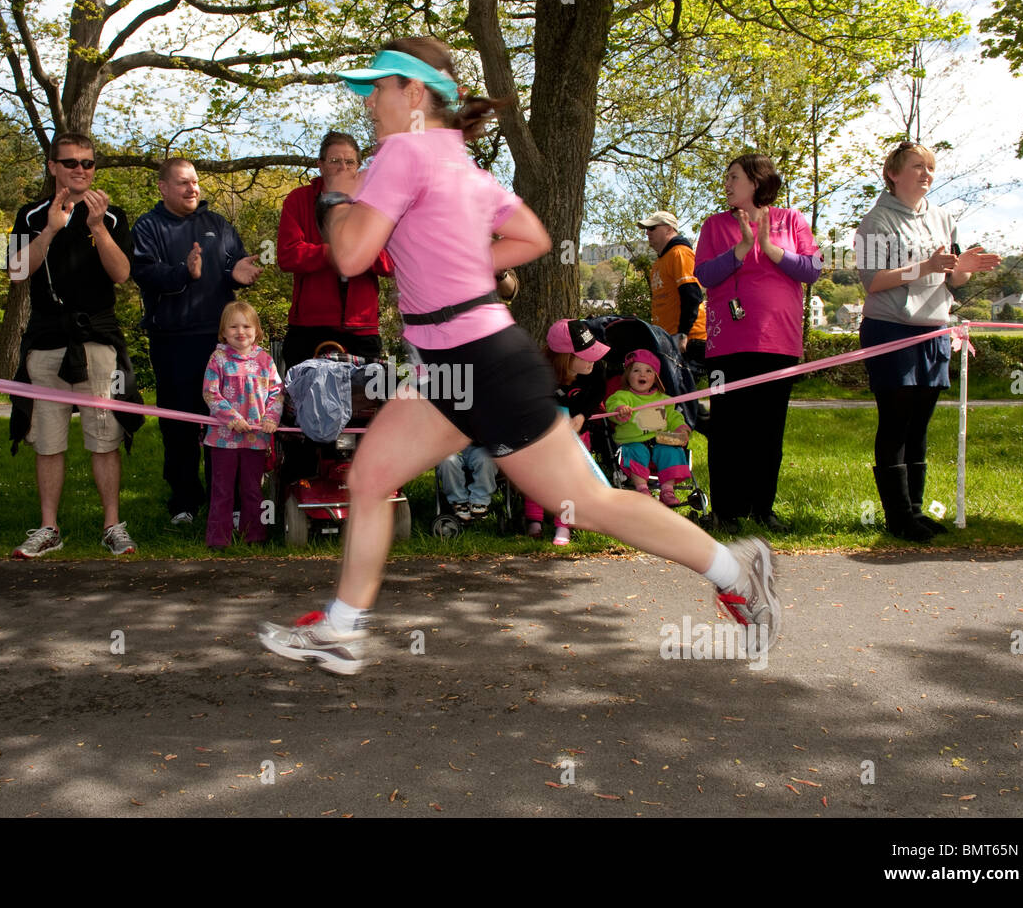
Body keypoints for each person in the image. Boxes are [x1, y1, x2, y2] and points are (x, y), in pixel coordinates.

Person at [257, 37, 782, 676]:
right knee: (370, 477)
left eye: (379, 88)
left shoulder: (401, 152)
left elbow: (350, 256)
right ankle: (343, 629)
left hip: (480, 363)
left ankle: (738, 570)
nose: (369, 104)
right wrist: (462, 267)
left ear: (414, 94)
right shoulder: (463, 165)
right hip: (449, 365)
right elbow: (532, 237)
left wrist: (339, 195)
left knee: (587, 505)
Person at [7, 132, 142, 558]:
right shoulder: (31, 216)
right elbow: (16, 272)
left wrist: (97, 227)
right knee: (47, 440)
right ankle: (48, 527)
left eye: (87, 163)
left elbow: (121, 275)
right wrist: (50, 229)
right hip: (47, 340)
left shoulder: (113, 216)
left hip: (97, 340)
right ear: (52, 168)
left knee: (105, 436)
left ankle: (112, 525)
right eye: (70, 163)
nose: (80, 170)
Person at [856, 141, 999, 542]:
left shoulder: (943, 218)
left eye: (930, 167)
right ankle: (897, 517)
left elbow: (954, 277)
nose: (926, 174)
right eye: (917, 166)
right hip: (891, 330)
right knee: (897, 424)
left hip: (935, 329)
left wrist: (962, 269)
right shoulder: (875, 220)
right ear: (894, 174)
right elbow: (872, 281)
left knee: (920, 426)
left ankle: (916, 512)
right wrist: (926, 267)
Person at [694, 154, 823, 534]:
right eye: (727, 177)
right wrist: (740, 249)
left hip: (777, 343)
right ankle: (726, 510)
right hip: (725, 345)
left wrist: (768, 247)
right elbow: (703, 274)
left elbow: (813, 269)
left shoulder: (791, 220)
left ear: (756, 180)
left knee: (768, 429)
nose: (728, 184)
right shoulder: (715, 225)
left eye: (734, 177)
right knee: (728, 428)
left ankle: (762, 507)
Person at [132, 157, 263, 529]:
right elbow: (143, 273)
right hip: (173, 341)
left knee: (226, 423)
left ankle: (233, 502)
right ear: (163, 187)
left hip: (221, 347)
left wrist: (239, 274)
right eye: (183, 183)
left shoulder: (217, 224)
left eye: (195, 182)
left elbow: (234, 267)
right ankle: (184, 502)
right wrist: (183, 273)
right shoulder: (148, 226)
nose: (193, 189)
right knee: (180, 425)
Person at [277, 131, 394, 368]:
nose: (343, 167)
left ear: (358, 167)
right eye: (334, 161)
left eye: (350, 162)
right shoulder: (298, 200)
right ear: (320, 165)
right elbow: (288, 255)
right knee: (303, 403)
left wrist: (358, 254)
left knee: (363, 403)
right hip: (308, 328)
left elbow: (392, 262)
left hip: (361, 330)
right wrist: (333, 253)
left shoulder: (376, 205)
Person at [201, 301, 282, 548]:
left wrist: (270, 419)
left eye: (246, 326)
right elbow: (211, 393)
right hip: (223, 438)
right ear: (223, 332)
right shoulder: (218, 359)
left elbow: (277, 393)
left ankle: (254, 535)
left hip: (255, 438)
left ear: (256, 330)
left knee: (252, 489)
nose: (240, 331)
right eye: (233, 326)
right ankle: (218, 539)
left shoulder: (265, 360)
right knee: (222, 489)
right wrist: (232, 418)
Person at [522, 318, 609, 545]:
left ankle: (565, 525)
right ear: (566, 359)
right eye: (585, 354)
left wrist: (582, 416)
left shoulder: (596, 369)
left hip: (577, 437)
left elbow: (597, 393)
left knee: (569, 479)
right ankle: (534, 520)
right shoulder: (541, 373)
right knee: (537, 474)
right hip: (544, 435)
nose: (594, 358)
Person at [606, 350, 691, 506]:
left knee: (672, 451)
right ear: (628, 375)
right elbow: (612, 407)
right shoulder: (622, 396)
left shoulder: (664, 400)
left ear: (656, 377)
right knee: (635, 451)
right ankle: (642, 488)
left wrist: (681, 429)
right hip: (633, 441)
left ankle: (667, 490)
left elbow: (673, 417)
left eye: (648, 371)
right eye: (636, 370)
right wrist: (620, 410)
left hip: (661, 440)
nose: (642, 375)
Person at [637, 211, 707, 369]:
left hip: (689, 340)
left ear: (669, 229)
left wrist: (683, 333)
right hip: (668, 339)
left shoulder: (680, 253)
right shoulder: (659, 262)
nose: (647, 233)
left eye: (652, 228)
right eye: (646, 229)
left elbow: (692, 295)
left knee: (685, 392)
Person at [436, 445, 497, 521]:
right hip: (451, 447)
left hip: (478, 447)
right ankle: (459, 502)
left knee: (485, 457)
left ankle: (480, 500)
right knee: (448, 460)